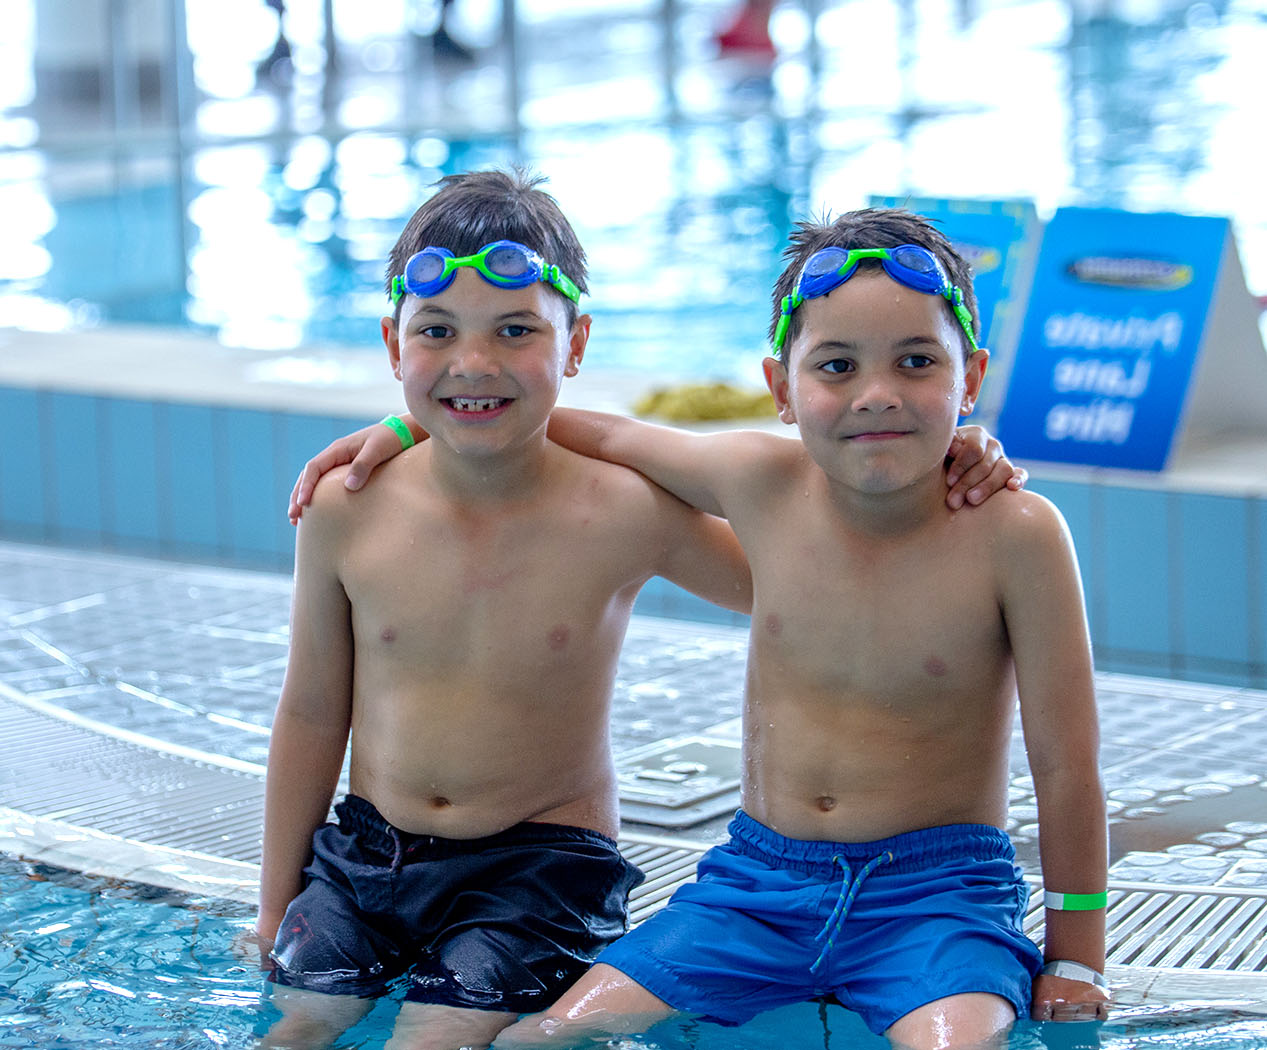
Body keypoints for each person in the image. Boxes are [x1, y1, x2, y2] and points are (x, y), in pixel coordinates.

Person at [290, 207, 1106, 1049]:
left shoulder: (1017, 534)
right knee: (538, 1039)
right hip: (755, 886)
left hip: (934, 897)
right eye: (836, 365)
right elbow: (589, 427)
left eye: (916, 362)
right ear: (780, 388)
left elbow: (1064, 762)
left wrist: (1076, 958)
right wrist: (414, 421)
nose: (876, 394)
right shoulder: (756, 479)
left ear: (968, 376)